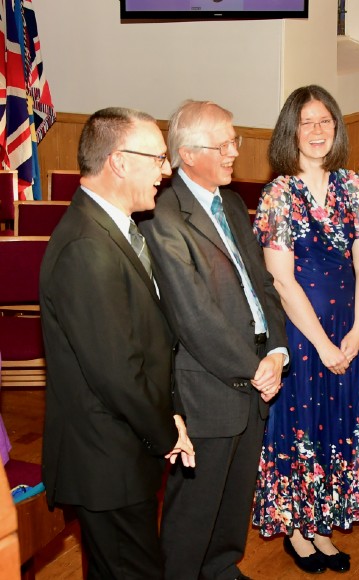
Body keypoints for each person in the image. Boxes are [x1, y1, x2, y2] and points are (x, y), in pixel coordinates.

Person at [39, 107, 194, 579]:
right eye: (158, 159)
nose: (166, 172)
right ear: (120, 162)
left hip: (124, 449)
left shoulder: (114, 229)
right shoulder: (87, 247)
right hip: (106, 461)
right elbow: (117, 372)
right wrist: (168, 431)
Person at [141, 100, 288, 580]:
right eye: (222, 144)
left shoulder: (229, 200)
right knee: (194, 508)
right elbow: (194, 317)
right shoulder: (164, 216)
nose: (234, 152)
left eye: (234, 141)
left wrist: (277, 351)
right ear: (187, 154)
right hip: (208, 382)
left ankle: (221, 569)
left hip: (253, 371)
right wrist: (253, 367)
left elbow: (263, 285)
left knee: (233, 496)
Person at [252, 85, 359, 574]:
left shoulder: (355, 187)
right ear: (291, 130)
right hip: (303, 337)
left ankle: (324, 526)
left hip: (349, 329)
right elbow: (282, 281)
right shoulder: (278, 194)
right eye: (307, 122)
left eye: (326, 120)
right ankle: (298, 531)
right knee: (303, 425)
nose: (318, 130)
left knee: (340, 424)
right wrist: (324, 344)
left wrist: (358, 330)